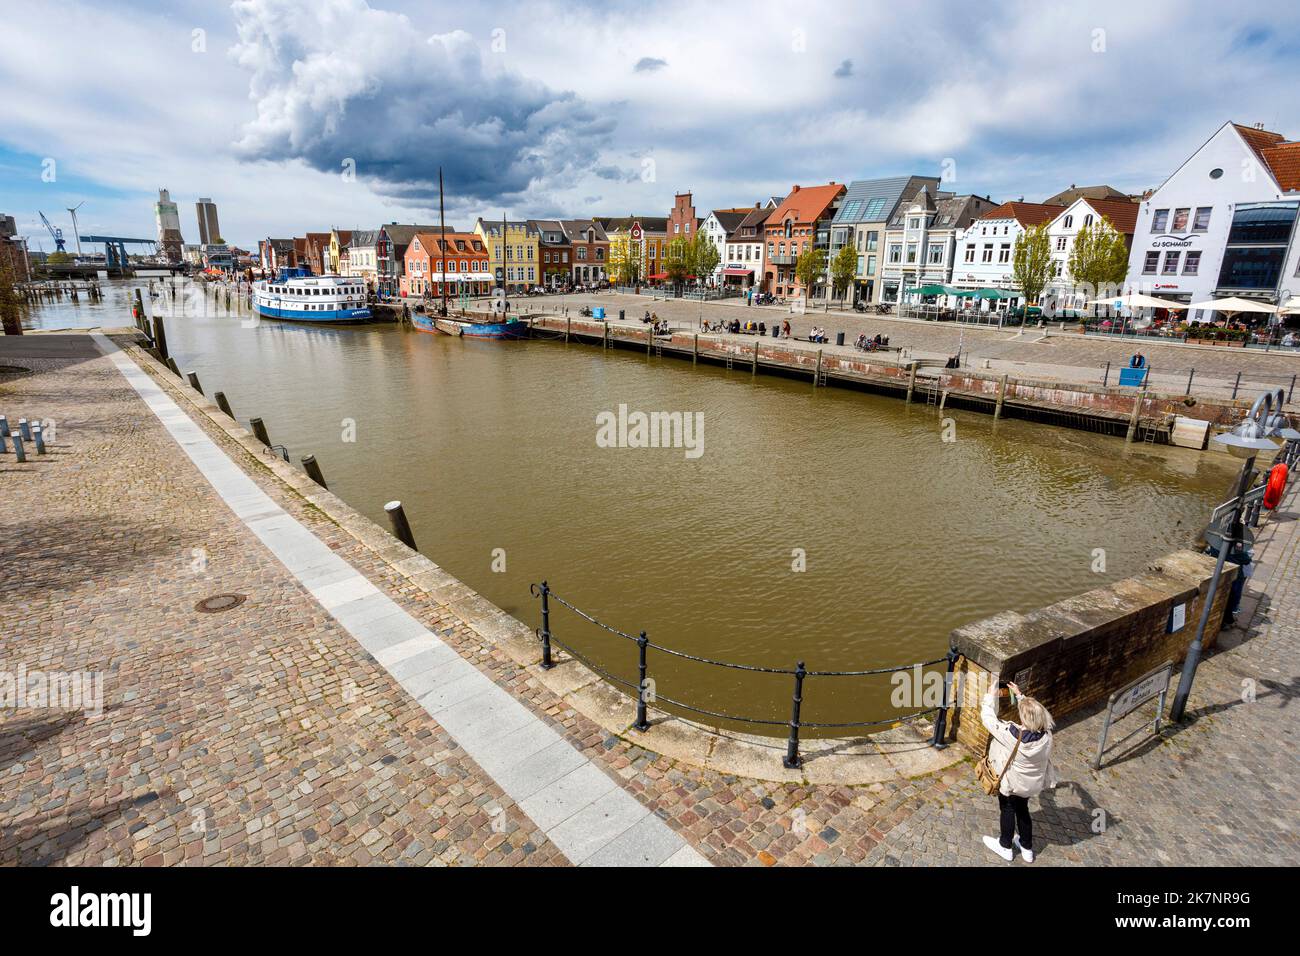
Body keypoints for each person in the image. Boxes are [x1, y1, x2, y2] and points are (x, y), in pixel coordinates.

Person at [980, 681, 1056, 863]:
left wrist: (990, 696)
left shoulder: (1013, 735)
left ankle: (1005, 845)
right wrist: (1020, 696)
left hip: (1013, 783)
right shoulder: (1047, 735)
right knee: (1023, 809)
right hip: (1031, 784)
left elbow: (988, 719)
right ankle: (1027, 847)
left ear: (1023, 718)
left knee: (1007, 808)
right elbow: (1038, 714)